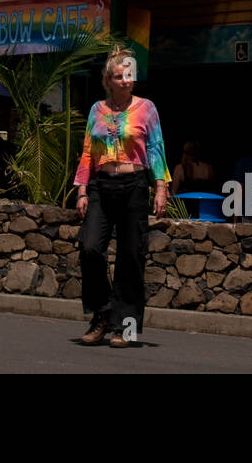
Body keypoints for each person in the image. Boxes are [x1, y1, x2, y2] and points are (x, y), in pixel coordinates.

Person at [75, 49, 169, 349]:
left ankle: (124, 327)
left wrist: (161, 187)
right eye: (119, 76)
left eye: (130, 75)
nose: (126, 81)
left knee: (131, 256)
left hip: (134, 185)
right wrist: (81, 190)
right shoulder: (97, 110)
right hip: (102, 185)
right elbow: (89, 151)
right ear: (108, 80)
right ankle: (101, 315)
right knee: (90, 247)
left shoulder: (147, 108)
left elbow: (156, 148)